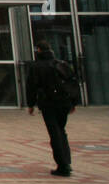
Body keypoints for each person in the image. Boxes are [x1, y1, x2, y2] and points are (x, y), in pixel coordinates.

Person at [27, 40, 76, 176]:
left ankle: (63, 165)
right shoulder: (60, 64)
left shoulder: (36, 66)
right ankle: (66, 161)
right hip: (64, 103)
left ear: (39, 51)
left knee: (54, 133)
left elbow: (31, 86)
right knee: (61, 130)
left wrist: (30, 104)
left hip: (48, 103)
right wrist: (73, 103)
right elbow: (72, 83)